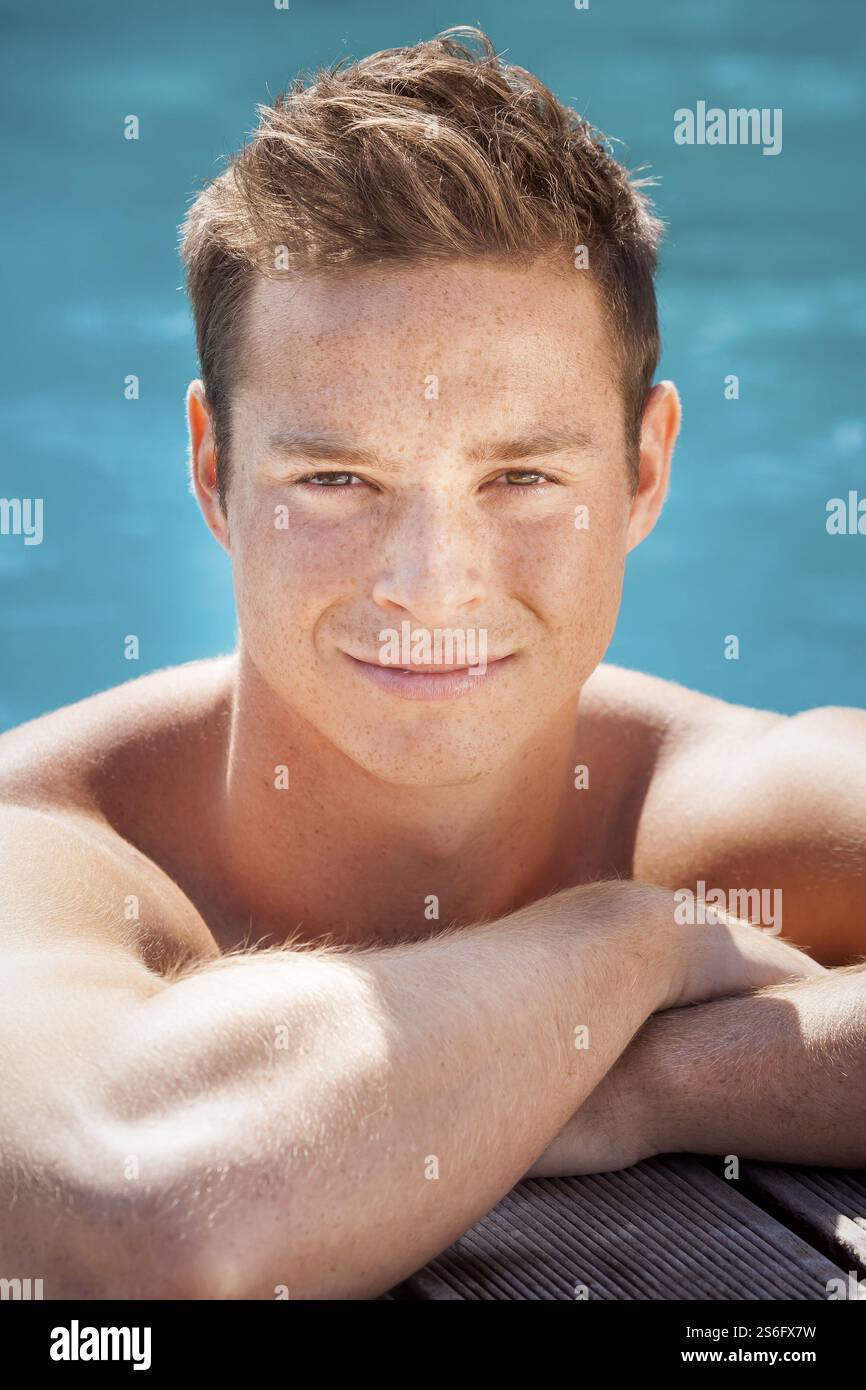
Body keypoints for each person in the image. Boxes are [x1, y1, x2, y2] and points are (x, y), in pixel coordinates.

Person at [0, 27, 862, 1301]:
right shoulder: (49, 852)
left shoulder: (752, 805)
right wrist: (632, 943)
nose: (429, 581)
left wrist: (637, 1078)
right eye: (336, 478)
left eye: (520, 476)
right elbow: (151, 1212)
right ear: (210, 469)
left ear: (642, 468)